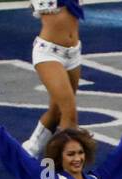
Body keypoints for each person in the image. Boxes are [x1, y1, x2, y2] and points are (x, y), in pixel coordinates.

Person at [23, 0, 85, 157]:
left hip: (73, 54)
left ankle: (30, 150)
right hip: (48, 54)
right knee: (69, 113)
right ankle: (65, 170)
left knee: (56, 112)